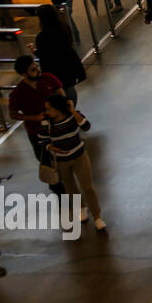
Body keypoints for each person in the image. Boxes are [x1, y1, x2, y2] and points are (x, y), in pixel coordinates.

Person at [39, 93, 104, 231]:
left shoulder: (73, 116)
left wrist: (73, 111)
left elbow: (86, 126)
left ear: (58, 108)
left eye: (49, 109)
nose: (46, 112)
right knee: (70, 187)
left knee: (87, 187)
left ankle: (97, 216)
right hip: (61, 161)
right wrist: (50, 147)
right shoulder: (46, 123)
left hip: (80, 156)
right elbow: (42, 140)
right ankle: (81, 208)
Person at [8, 55, 69, 182]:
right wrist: (34, 118)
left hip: (57, 127)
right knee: (48, 166)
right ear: (24, 74)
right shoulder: (17, 93)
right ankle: (59, 191)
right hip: (37, 133)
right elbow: (13, 114)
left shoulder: (48, 78)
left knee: (65, 160)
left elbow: (61, 95)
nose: (38, 70)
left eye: (36, 67)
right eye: (33, 70)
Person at [33, 5, 85, 106]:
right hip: (67, 65)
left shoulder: (42, 37)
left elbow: (45, 56)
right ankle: (72, 111)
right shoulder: (64, 28)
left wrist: (35, 51)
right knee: (70, 90)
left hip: (53, 71)